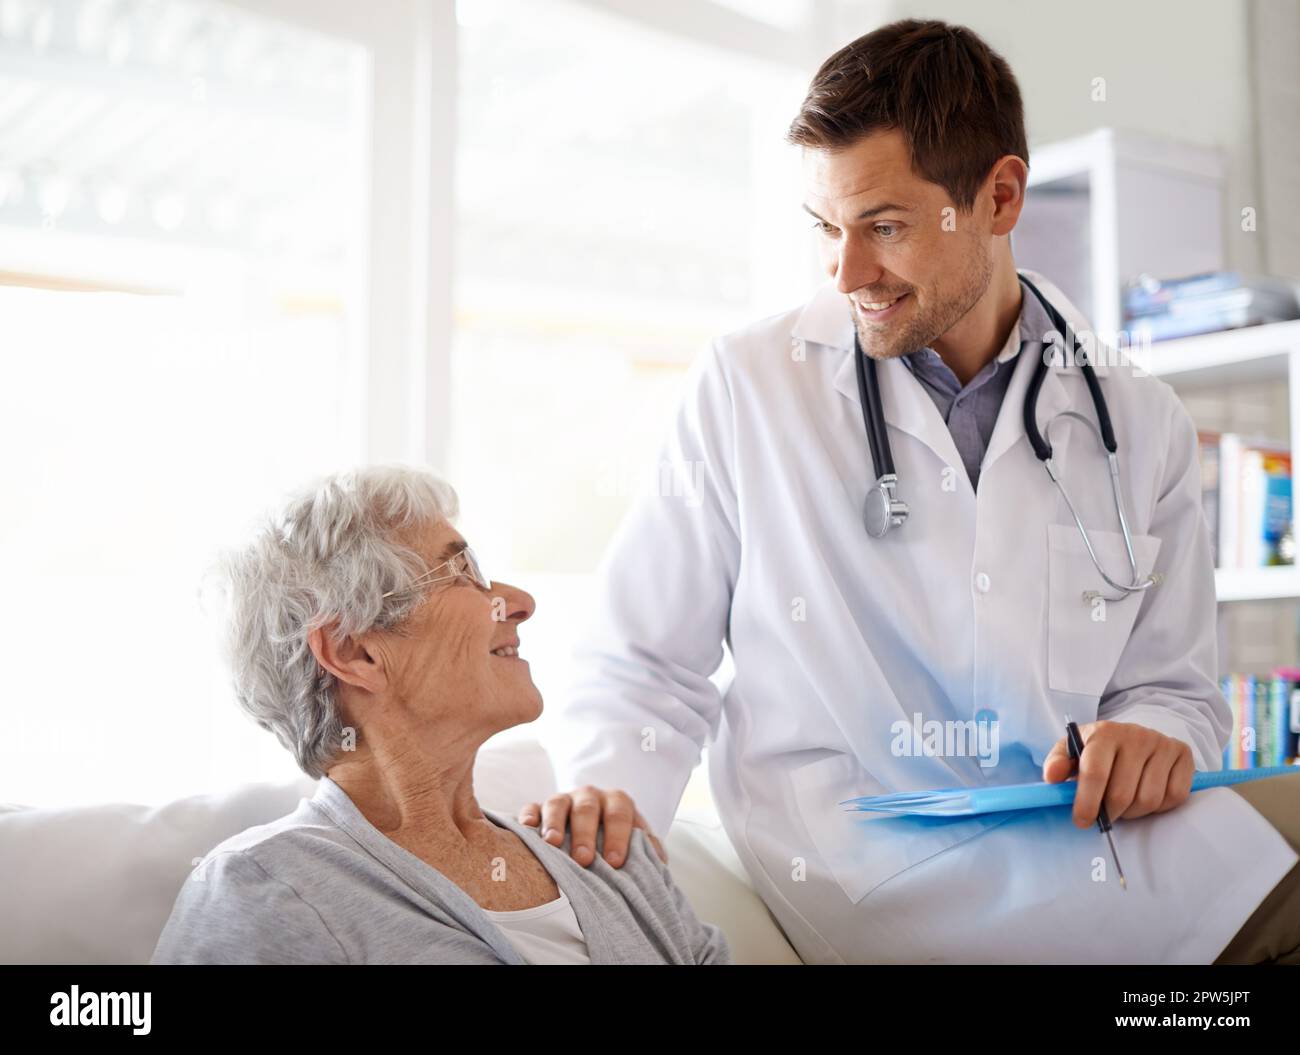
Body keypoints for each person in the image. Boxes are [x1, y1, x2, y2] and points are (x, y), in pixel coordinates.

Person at [521, 19, 1300, 964]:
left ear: (1000, 196)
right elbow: (644, 661)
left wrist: (1149, 733)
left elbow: (1175, 689)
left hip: (1076, 829)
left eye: (884, 227)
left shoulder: (1140, 419)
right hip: (862, 855)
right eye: (826, 229)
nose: (847, 272)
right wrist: (611, 790)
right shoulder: (750, 386)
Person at [151, 466, 729, 965]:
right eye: (464, 572)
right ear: (355, 652)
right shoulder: (263, 888)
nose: (520, 600)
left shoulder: (606, 858)